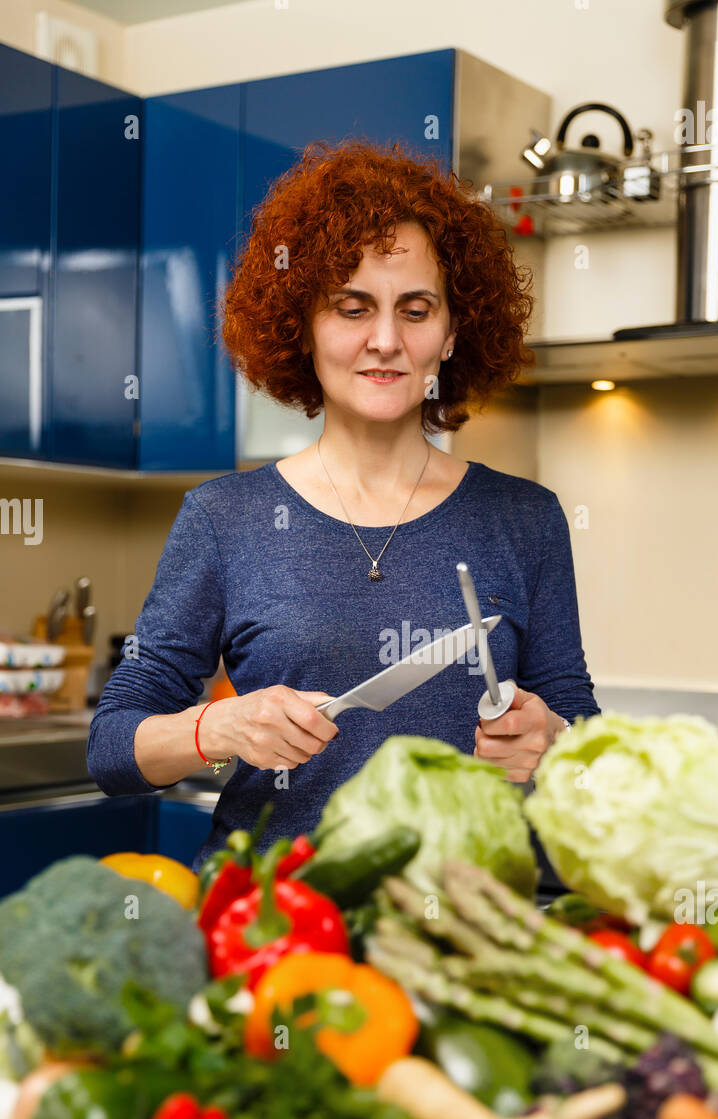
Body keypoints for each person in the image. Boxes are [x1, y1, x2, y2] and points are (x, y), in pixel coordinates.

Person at [87, 138, 600, 871]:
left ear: (452, 335)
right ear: (304, 325)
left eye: (416, 310)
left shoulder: (525, 518)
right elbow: (113, 746)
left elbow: (586, 740)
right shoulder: (222, 518)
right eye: (352, 307)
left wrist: (553, 743)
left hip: (465, 927)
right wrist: (220, 726)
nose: (385, 341)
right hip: (275, 925)